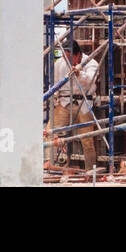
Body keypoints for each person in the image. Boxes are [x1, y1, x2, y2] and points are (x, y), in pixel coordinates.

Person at [49, 39, 99, 171]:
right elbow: (55, 84)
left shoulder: (91, 63)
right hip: (65, 102)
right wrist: (55, 101)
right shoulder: (60, 64)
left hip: (84, 103)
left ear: (78, 54)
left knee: (87, 140)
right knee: (49, 131)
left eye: (70, 57)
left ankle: (90, 171)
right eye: (65, 56)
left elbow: (90, 80)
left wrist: (79, 73)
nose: (67, 60)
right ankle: (51, 164)